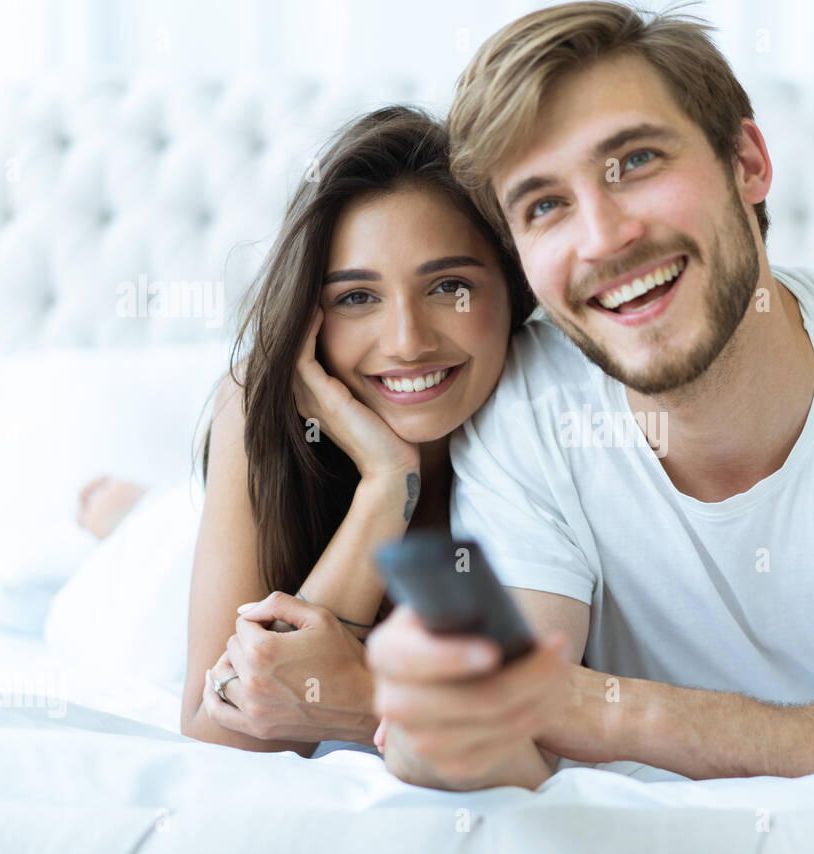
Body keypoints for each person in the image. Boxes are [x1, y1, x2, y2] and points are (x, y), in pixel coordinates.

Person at [364, 1, 814, 790]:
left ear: (747, 161)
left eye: (638, 161)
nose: (604, 237)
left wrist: (621, 714)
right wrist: (433, 723)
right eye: (545, 205)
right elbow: (517, 741)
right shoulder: (527, 407)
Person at [177, 105, 570, 761]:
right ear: (311, 318)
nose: (408, 342)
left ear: (513, 289)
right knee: (137, 537)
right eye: (358, 297)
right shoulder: (257, 406)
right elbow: (220, 731)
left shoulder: (557, 418)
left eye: (448, 286)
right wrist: (389, 486)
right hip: (163, 565)